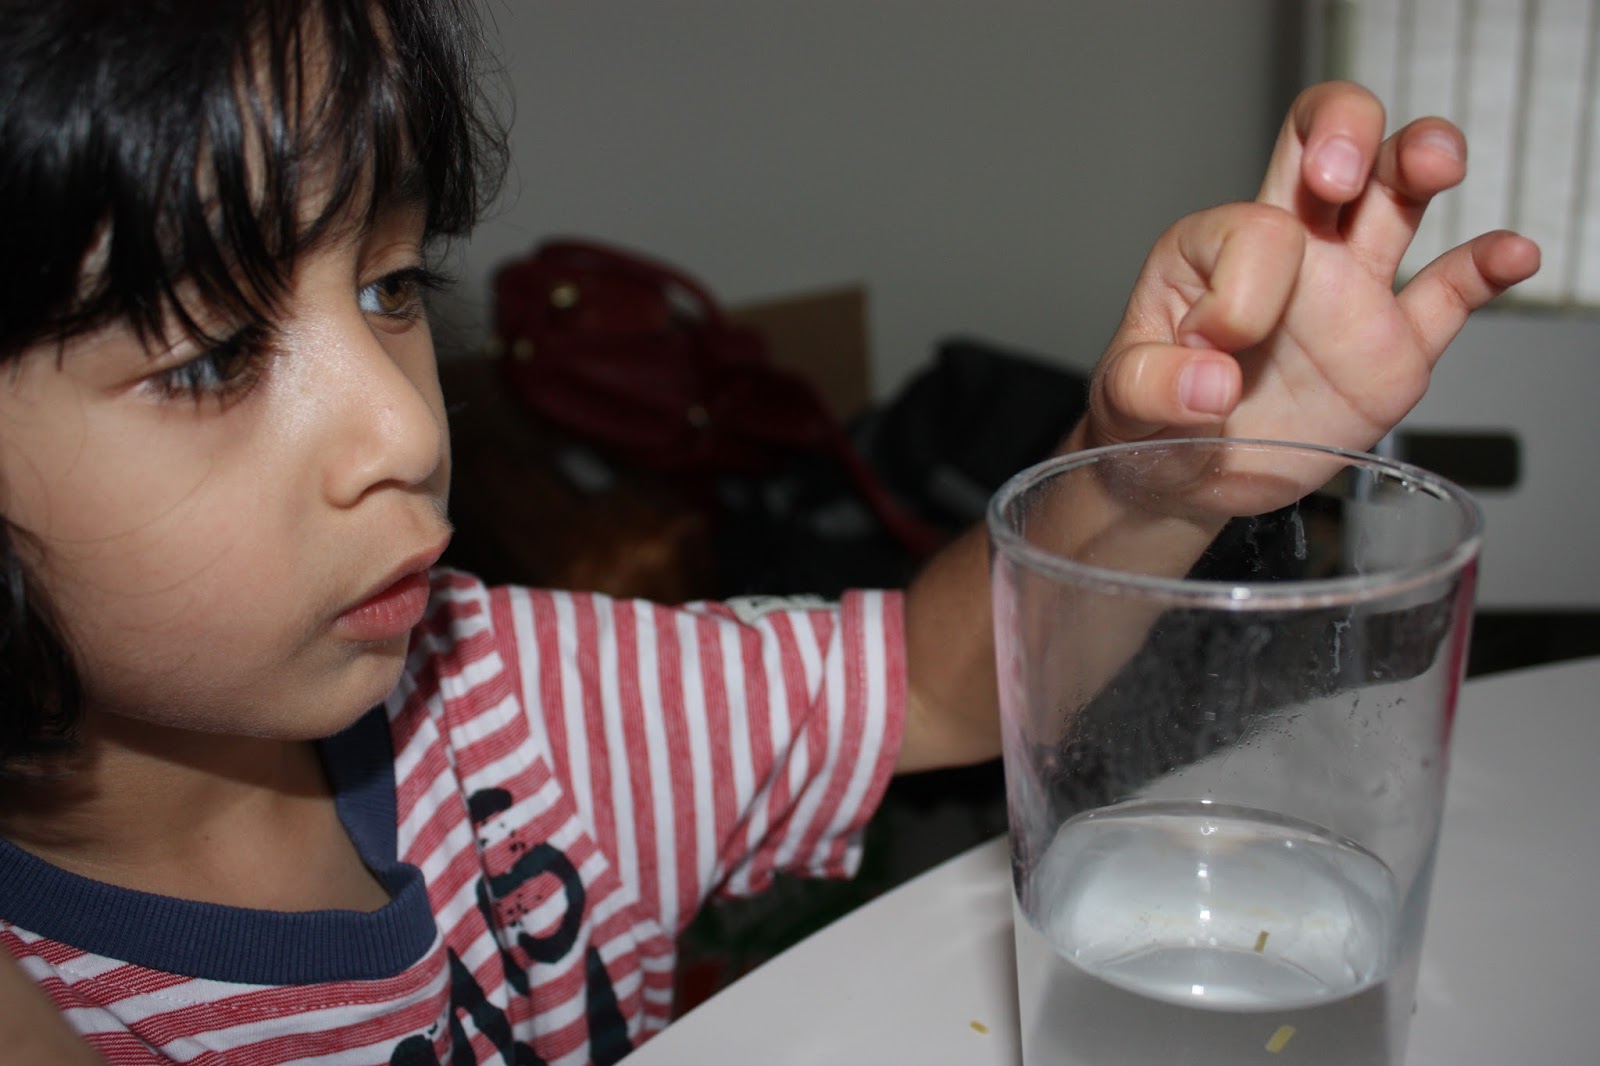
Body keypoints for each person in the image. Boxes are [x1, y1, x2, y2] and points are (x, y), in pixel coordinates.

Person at [0, 1, 1538, 1063]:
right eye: (207, 360)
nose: (407, 429)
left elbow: (940, 684)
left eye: (392, 289)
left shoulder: (505, 701)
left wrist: (1172, 469)